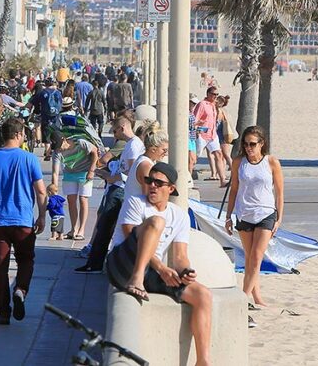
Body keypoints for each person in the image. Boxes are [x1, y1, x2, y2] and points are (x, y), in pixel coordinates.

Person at [105, 163, 213, 366]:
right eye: (149, 181)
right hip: (122, 263)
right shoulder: (135, 202)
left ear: (171, 189)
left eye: (158, 183)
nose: (152, 186)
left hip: (152, 270)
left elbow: (180, 256)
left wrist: (185, 272)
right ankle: (137, 279)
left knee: (203, 295)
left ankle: (203, 360)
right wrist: (161, 268)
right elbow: (130, 236)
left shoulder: (179, 215)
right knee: (156, 222)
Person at [0, 118, 46, 325]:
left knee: (0, 268)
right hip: (23, 220)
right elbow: (41, 191)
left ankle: (3, 312)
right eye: (23, 134)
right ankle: (20, 290)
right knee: (26, 260)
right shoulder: (29, 159)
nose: (24, 137)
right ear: (17, 135)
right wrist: (42, 215)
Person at [225, 125, 284, 313]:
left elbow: (280, 193)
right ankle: (257, 297)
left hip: (266, 214)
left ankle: (243, 298)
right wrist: (228, 216)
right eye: (245, 144)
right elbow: (234, 190)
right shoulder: (238, 162)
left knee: (257, 257)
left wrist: (279, 218)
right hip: (244, 214)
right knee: (250, 257)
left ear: (261, 144)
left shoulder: (271, 162)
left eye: (252, 144)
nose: (248, 147)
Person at [75, 116, 143, 273]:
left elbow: (132, 171)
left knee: (105, 226)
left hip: (119, 189)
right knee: (105, 225)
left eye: (115, 131)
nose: (114, 135)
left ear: (122, 128)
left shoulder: (133, 145)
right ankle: (95, 262)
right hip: (117, 187)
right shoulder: (131, 144)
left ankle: (95, 264)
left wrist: (112, 177)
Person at [51, 129, 99, 241]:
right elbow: (55, 173)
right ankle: (74, 229)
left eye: (59, 146)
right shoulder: (56, 153)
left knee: (83, 199)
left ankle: (81, 230)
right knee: (71, 200)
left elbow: (94, 152)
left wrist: (92, 170)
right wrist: (54, 189)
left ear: (64, 140)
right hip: (69, 174)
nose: (59, 149)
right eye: (56, 147)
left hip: (85, 172)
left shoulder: (80, 142)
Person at [193, 86, 227, 187]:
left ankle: (222, 180)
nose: (215, 96)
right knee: (194, 157)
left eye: (217, 94)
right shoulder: (202, 104)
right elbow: (195, 119)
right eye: (213, 94)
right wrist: (197, 130)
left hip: (213, 135)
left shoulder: (214, 105)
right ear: (208, 94)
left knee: (218, 154)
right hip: (202, 134)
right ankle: (187, 178)